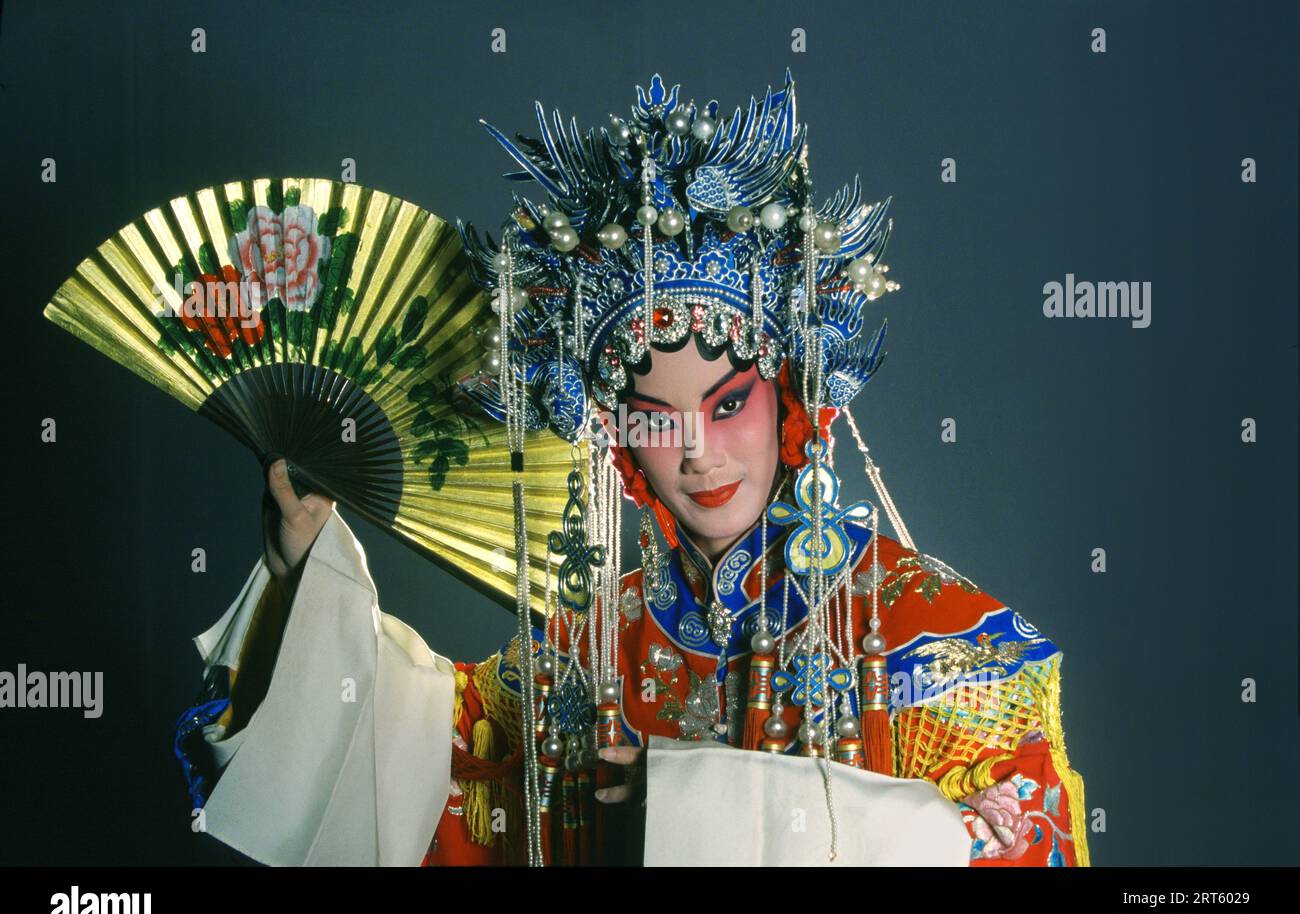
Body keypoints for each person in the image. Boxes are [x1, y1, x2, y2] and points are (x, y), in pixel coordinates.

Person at [174, 71, 1090, 867]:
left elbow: (1020, 839)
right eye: (656, 417)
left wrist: (698, 812)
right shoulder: (588, 652)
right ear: (615, 433)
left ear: (795, 399)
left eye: (729, 404)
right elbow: (417, 774)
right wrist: (308, 575)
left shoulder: (932, 634)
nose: (696, 450)